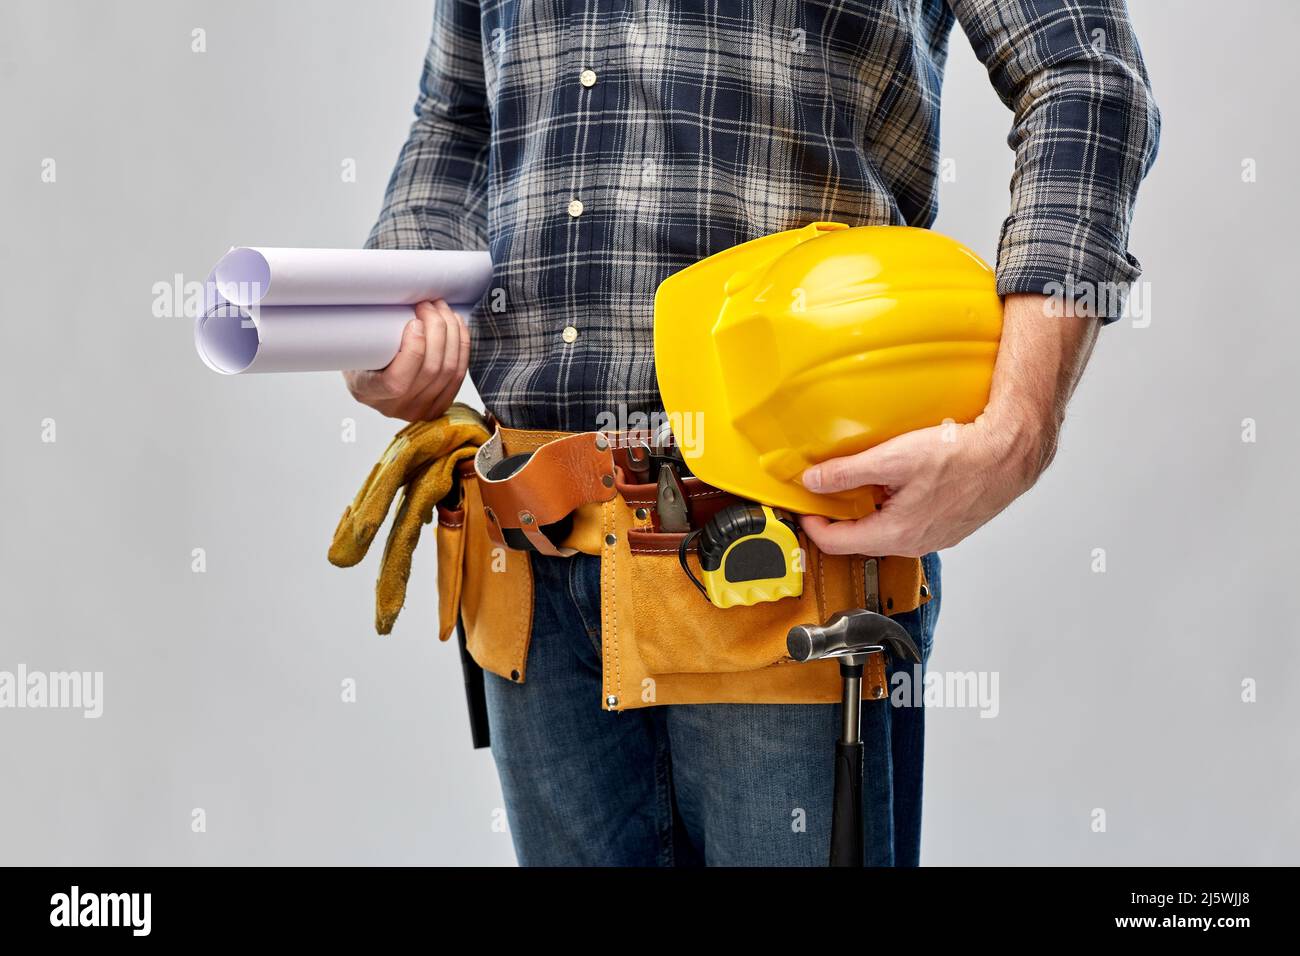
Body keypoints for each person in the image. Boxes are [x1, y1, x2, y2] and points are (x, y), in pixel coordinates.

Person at [344, 0, 1159, 866]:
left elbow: (1087, 72)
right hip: (528, 568)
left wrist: (1020, 424)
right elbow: (456, 118)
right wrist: (387, 304)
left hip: (787, 557)